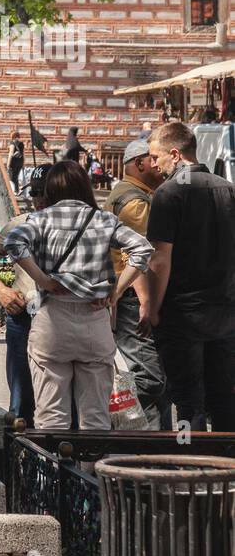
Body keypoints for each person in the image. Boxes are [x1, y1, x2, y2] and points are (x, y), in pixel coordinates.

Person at [4, 161, 152, 430]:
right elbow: (142, 249)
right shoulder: (104, 220)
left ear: (50, 189)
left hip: (52, 319)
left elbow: (13, 242)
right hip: (94, 319)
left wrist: (43, 281)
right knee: (96, 418)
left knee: (51, 418)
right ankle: (90, 472)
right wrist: (116, 291)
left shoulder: (40, 219)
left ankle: (55, 472)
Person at [141, 122, 235, 431]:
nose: (152, 164)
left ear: (175, 154)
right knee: (224, 398)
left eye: (156, 157)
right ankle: (226, 466)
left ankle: (188, 464)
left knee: (188, 402)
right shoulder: (228, 189)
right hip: (225, 313)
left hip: (182, 317)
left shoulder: (168, 194)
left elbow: (159, 259)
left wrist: (152, 309)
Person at [0, 164, 52, 425]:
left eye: (44, 192)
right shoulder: (19, 224)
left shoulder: (80, 223)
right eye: (35, 192)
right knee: (21, 400)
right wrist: (1, 290)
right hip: (23, 316)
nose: (38, 199)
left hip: (61, 316)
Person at [106, 138, 167, 429]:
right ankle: (135, 439)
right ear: (139, 163)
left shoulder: (129, 194)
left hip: (127, 296)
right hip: (133, 297)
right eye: (152, 159)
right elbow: (140, 254)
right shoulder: (134, 201)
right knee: (148, 377)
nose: (157, 164)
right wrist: (146, 301)